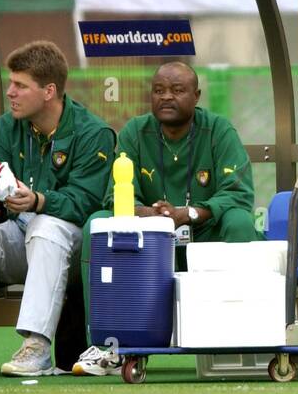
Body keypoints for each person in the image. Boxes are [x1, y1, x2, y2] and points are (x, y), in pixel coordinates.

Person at [0, 41, 114, 378]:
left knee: (46, 225)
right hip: (20, 246)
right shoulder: (5, 127)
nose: (10, 92)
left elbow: (86, 203)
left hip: (71, 253)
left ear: (48, 91)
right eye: (10, 83)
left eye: (20, 85)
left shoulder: (92, 132)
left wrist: (40, 201)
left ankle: (36, 347)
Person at [73, 62, 260, 376]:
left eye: (177, 90)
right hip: (149, 243)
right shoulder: (135, 130)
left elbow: (238, 193)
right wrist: (149, 215)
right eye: (158, 90)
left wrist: (187, 213)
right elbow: (115, 195)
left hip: (203, 234)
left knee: (239, 220)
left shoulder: (218, 129)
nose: (166, 97)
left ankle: (241, 333)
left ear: (196, 96)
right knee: (97, 222)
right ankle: (108, 344)